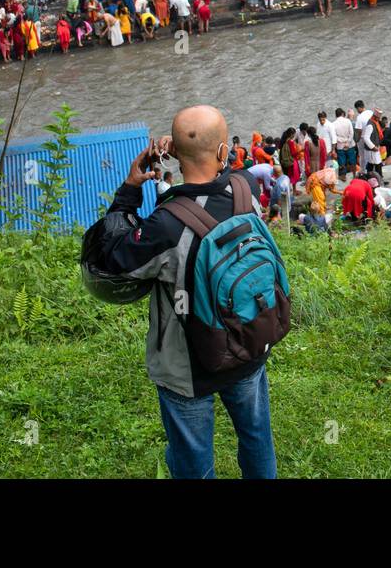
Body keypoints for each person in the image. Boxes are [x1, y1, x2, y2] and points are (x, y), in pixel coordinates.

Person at [81, 105, 279, 479]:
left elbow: (108, 261)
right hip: (248, 341)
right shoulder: (246, 187)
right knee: (256, 439)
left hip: (188, 365)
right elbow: (214, 179)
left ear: (173, 153)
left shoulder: (165, 225)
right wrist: (194, 150)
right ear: (224, 153)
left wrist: (128, 191)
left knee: (193, 462)